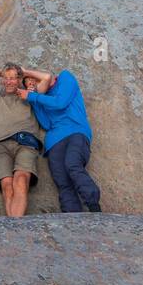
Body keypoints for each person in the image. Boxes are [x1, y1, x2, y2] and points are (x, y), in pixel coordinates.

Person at [18, 68, 101, 213]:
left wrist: (33, 95)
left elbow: (60, 102)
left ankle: (94, 207)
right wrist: (34, 99)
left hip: (76, 132)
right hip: (54, 142)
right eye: (29, 84)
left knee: (73, 164)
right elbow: (46, 123)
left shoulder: (65, 78)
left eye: (34, 80)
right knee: (62, 181)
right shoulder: (41, 99)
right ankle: (72, 220)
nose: (32, 84)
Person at [0, 64, 43, 217]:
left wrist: (22, 71)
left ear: (19, 79)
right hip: (1, 146)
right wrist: (3, 71)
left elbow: (46, 78)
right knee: (7, 186)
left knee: (20, 180)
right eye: (6, 79)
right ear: (1, 80)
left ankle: (15, 226)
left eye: (13, 78)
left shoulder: (30, 97)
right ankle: (13, 225)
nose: (9, 81)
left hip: (25, 143)